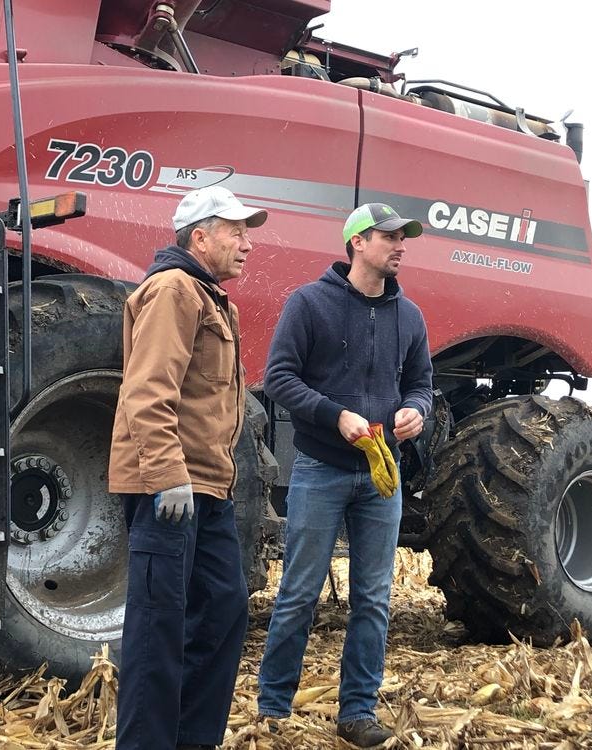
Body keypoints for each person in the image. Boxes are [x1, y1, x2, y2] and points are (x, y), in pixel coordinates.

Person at [257, 203, 434, 747]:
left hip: (383, 479)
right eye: (390, 236)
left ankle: (357, 713)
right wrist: (334, 414)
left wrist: (416, 411)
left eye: (404, 237)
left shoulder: (410, 316)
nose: (401, 245)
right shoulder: (309, 304)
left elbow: (423, 384)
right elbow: (277, 378)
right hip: (320, 470)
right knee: (299, 593)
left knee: (374, 600)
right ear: (357, 242)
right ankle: (273, 709)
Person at [109, 185, 268, 750]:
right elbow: (148, 390)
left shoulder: (210, 296)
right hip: (170, 488)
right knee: (160, 626)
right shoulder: (174, 290)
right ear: (200, 236)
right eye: (237, 231)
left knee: (224, 607)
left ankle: (192, 739)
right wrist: (168, 474)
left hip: (208, 487)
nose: (248, 243)